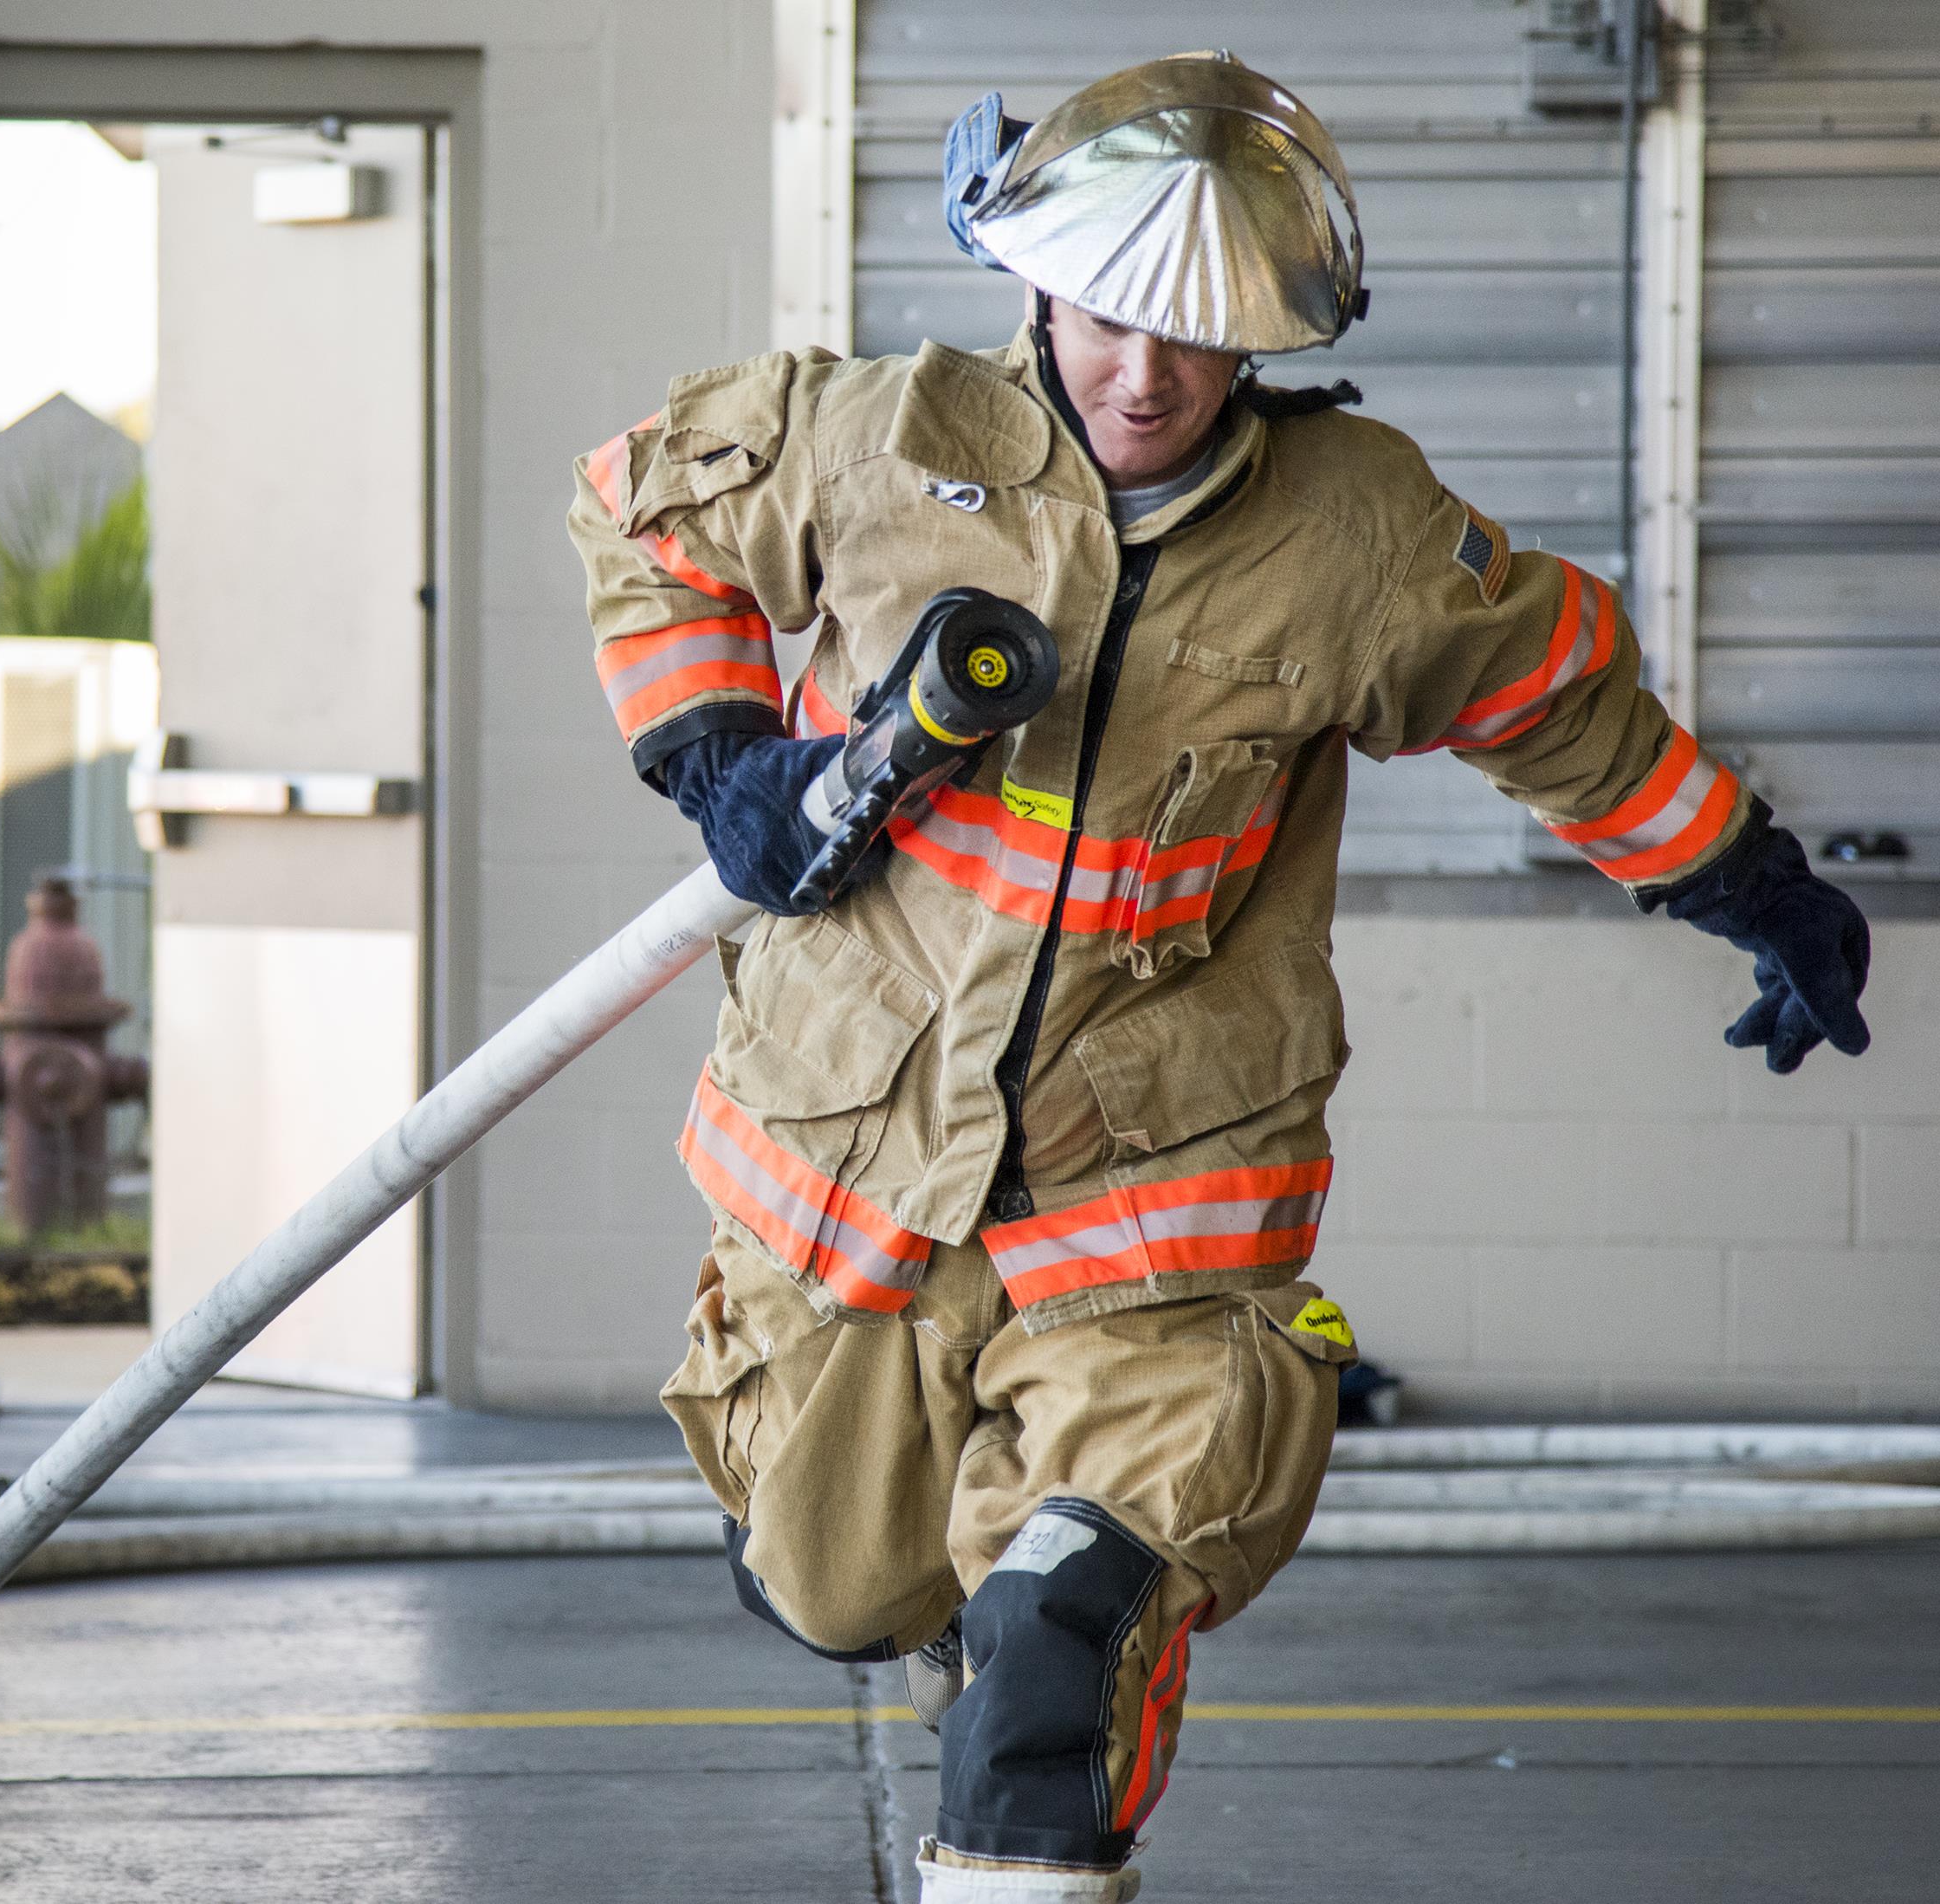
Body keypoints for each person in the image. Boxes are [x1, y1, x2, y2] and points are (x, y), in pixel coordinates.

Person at [567, 51, 1872, 1903]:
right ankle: (874, 1536)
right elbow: (640, 516)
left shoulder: (1357, 538)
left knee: (1055, 1647)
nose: (1147, 374)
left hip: (1154, 1215)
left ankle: (1048, 1722)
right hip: (854, 1187)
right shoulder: (867, 441)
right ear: (1031, 279)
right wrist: (721, 761)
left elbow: (1560, 702)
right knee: (836, 1583)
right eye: (1110, 315)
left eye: (1201, 330)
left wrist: (1748, 876)